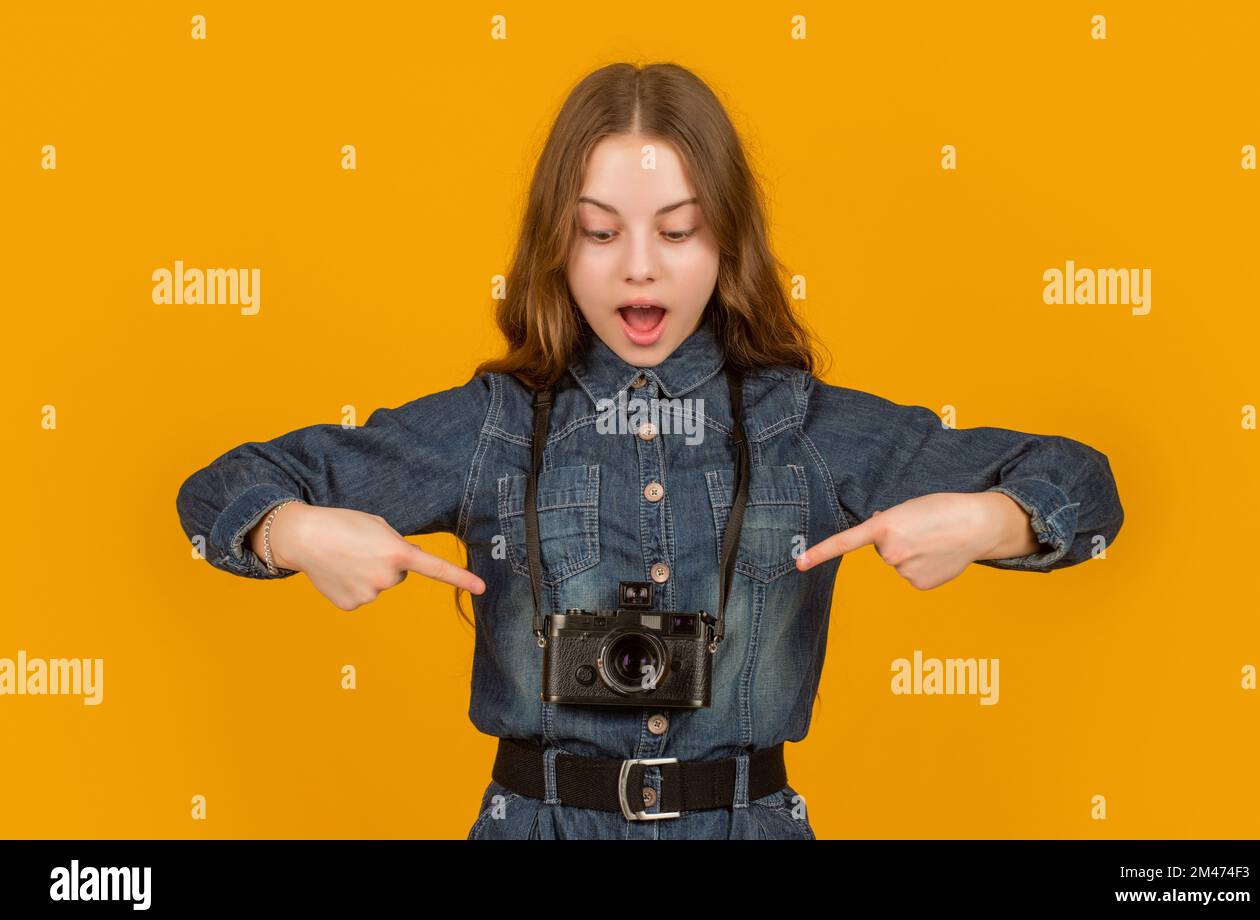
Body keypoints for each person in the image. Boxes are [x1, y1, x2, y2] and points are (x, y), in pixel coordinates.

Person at [175, 62, 1124, 840]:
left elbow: (1083, 484)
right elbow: (221, 490)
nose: (640, 264)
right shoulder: (498, 425)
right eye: (599, 231)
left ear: (728, 243)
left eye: (678, 230)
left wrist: (990, 521)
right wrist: (294, 534)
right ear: (557, 243)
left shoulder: (801, 427)